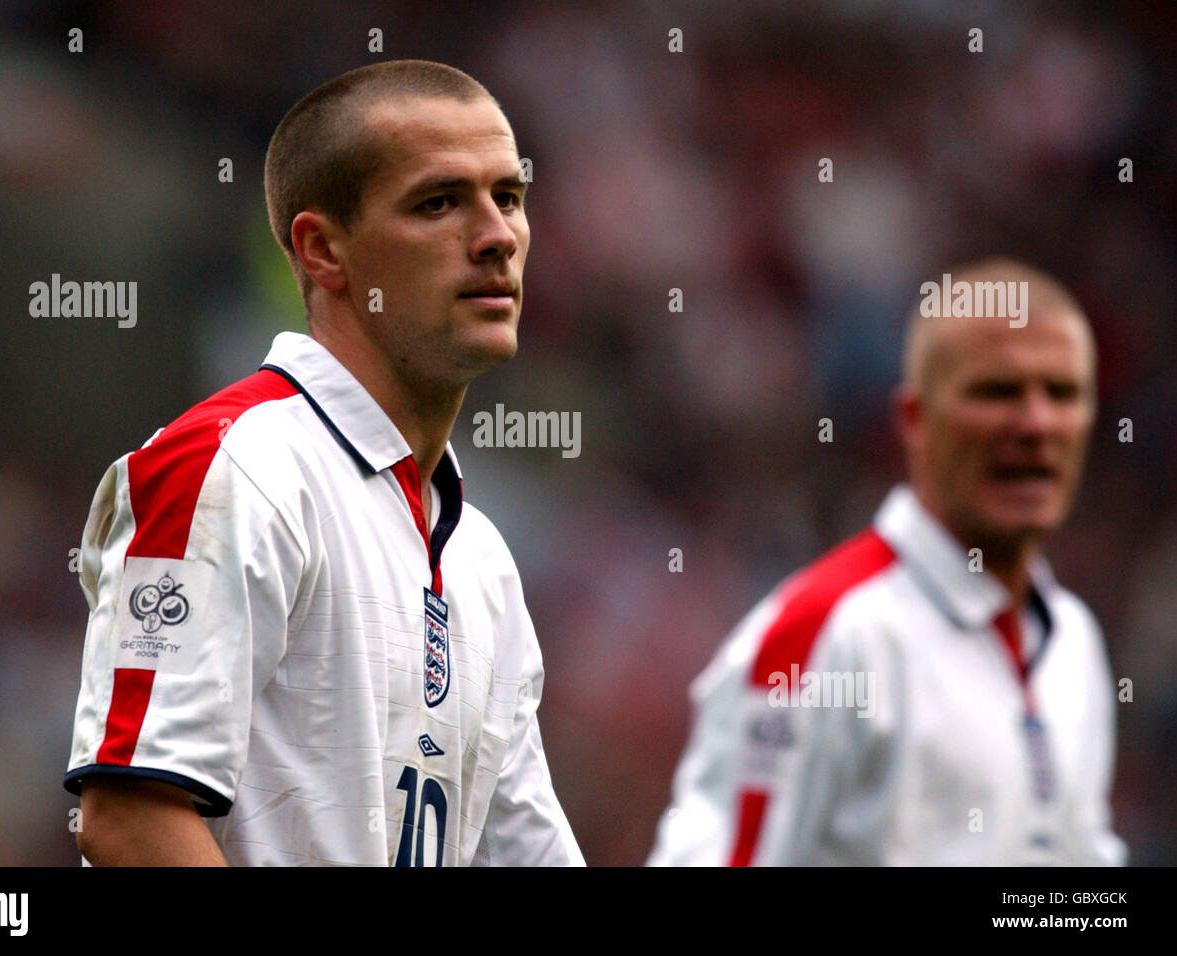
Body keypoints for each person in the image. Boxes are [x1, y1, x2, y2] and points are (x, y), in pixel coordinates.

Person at [64, 59, 584, 866]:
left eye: (507, 197)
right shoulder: (238, 465)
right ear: (322, 251)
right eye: (439, 203)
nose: (495, 237)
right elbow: (131, 818)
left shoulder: (481, 559)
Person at [648, 259, 1127, 865]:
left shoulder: (1073, 644)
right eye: (996, 392)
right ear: (915, 421)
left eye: (1063, 394)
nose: (1035, 424)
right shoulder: (829, 634)